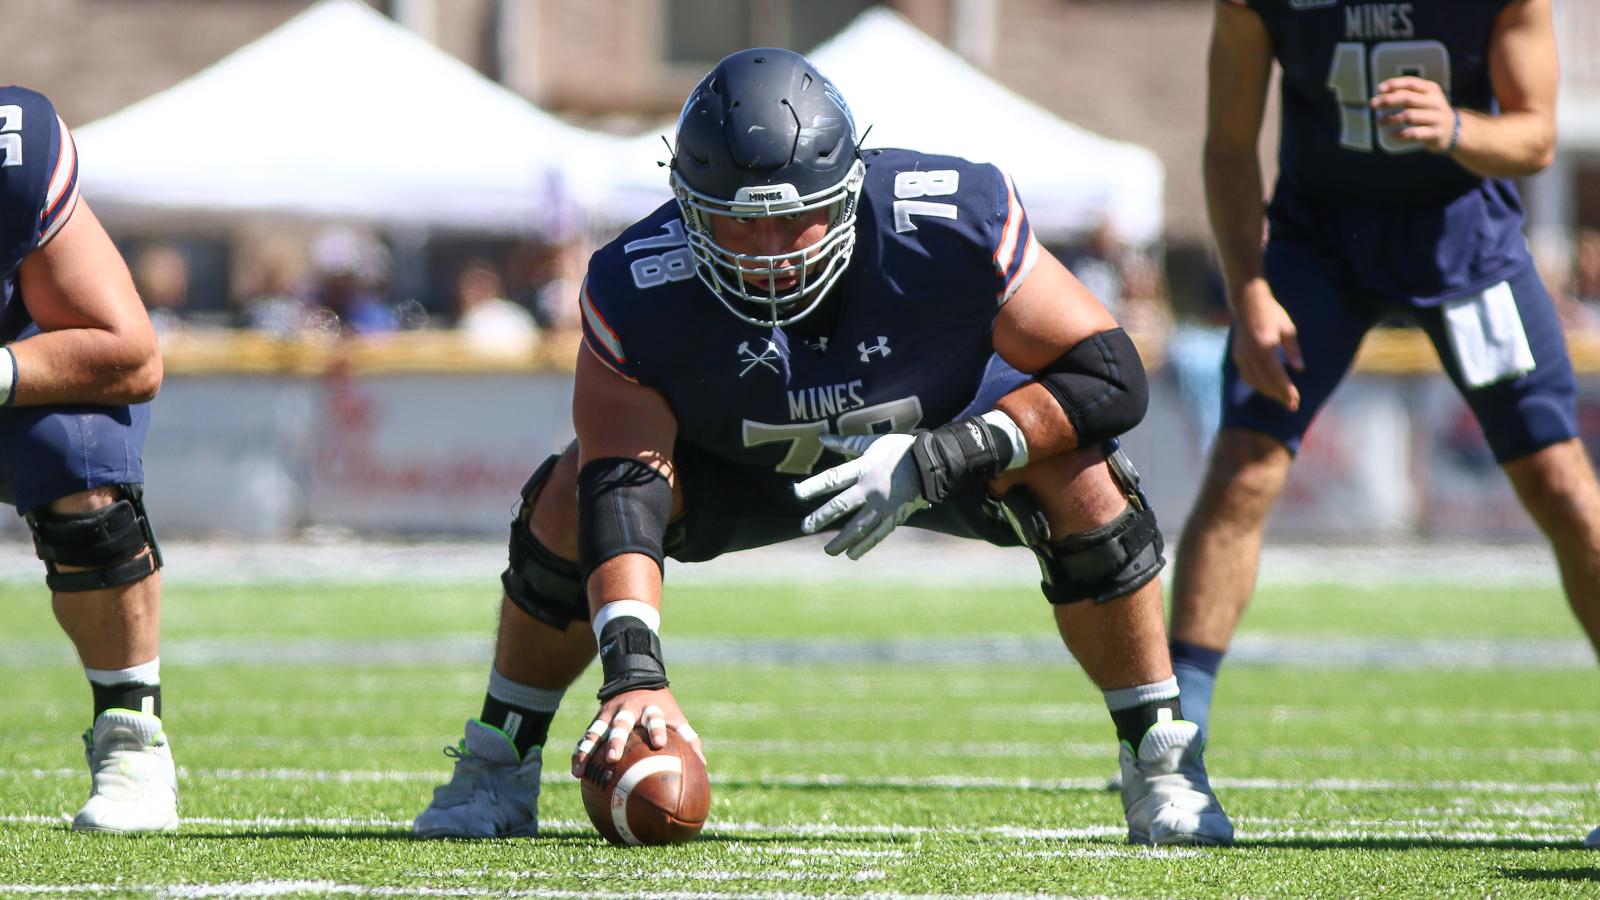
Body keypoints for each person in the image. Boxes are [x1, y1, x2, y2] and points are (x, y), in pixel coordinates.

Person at [410, 48, 1233, 847]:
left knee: (1087, 482)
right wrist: (633, 672)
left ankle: (1160, 757)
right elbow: (622, 481)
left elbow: (1108, 374)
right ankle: (499, 759)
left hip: (941, 443)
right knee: (565, 493)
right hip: (735, 468)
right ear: (687, 202)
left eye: (793, 217)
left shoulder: (946, 220)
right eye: (737, 220)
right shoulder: (639, 282)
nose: (770, 250)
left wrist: (941, 458)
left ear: (849, 188)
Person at [1175, 0, 1600, 845]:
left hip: (1463, 243)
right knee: (1245, 462)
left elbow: (1536, 136)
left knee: (1559, 480)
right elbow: (1228, 145)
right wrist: (1250, 288)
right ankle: (1170, 749)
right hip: (1317, 245)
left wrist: (1454, 129)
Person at [0, 88, 174, 831]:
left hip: (15, 390)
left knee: (77, 452)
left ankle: (130, 737)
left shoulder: (13, 158)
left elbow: (126, 353)